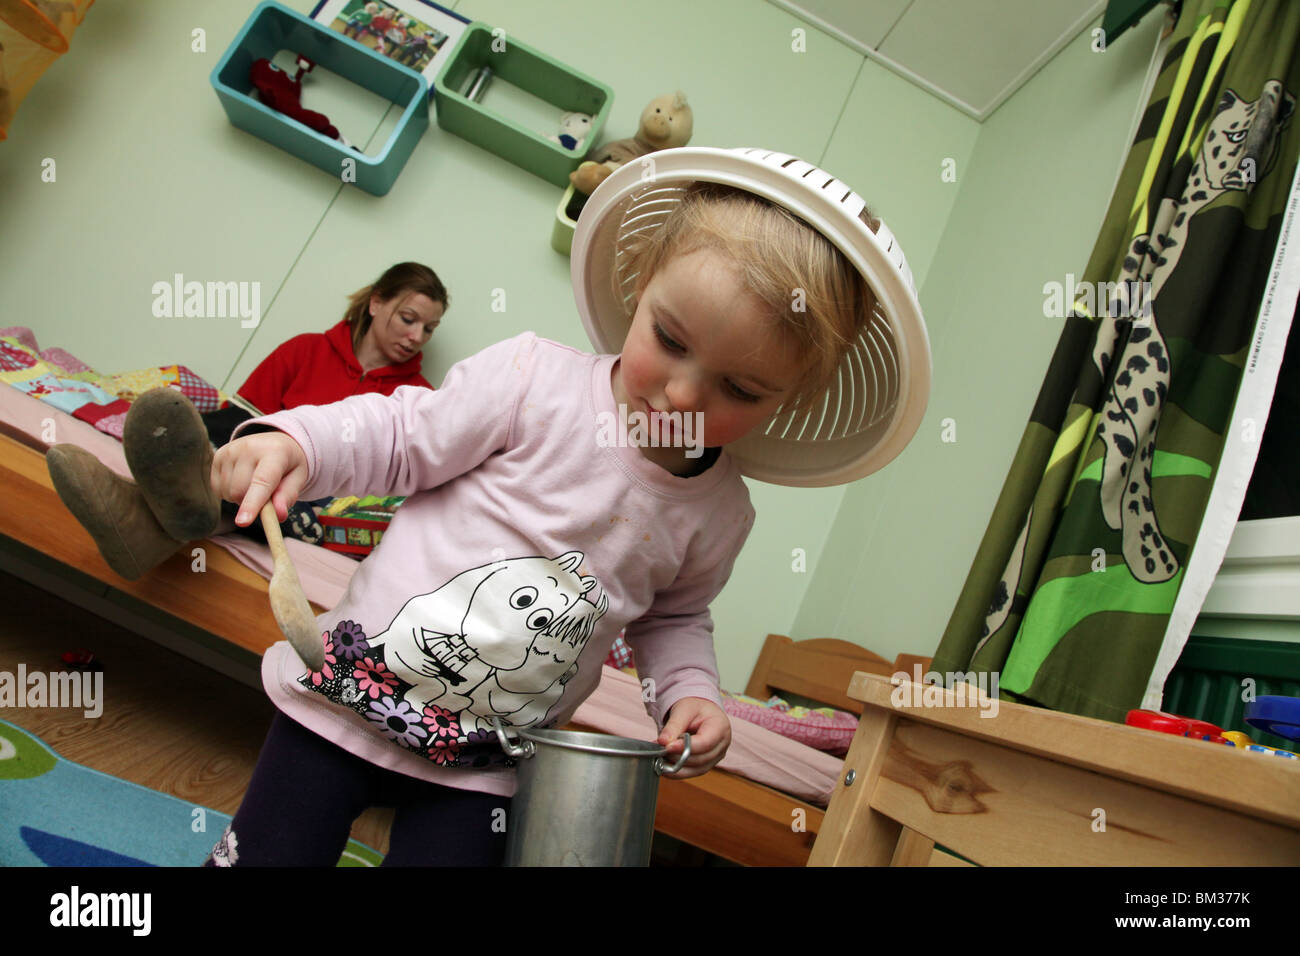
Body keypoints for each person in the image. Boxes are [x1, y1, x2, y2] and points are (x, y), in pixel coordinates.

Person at [192, 168, 905, 868]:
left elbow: (673, 620)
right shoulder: (533, 382)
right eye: (671, 340)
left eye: (741, 388)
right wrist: (299, 443)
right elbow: (403, 435)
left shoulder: (720, 513)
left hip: (483, 773)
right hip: (340, 702)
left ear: (792, 401)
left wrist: (689, 696)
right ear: (639, 289)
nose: (682, 394)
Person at [44, 262, 447, 579]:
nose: (416, 337)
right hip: (255, 456)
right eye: (408, 318)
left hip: (319, 492)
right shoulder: (307, 349)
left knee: (308, 497)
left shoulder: (414, 400)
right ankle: (184, 508)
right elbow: (244, 417)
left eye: (429, 329)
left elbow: (392, 484)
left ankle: (142, 514)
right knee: (223, 426)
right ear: (376, 303)